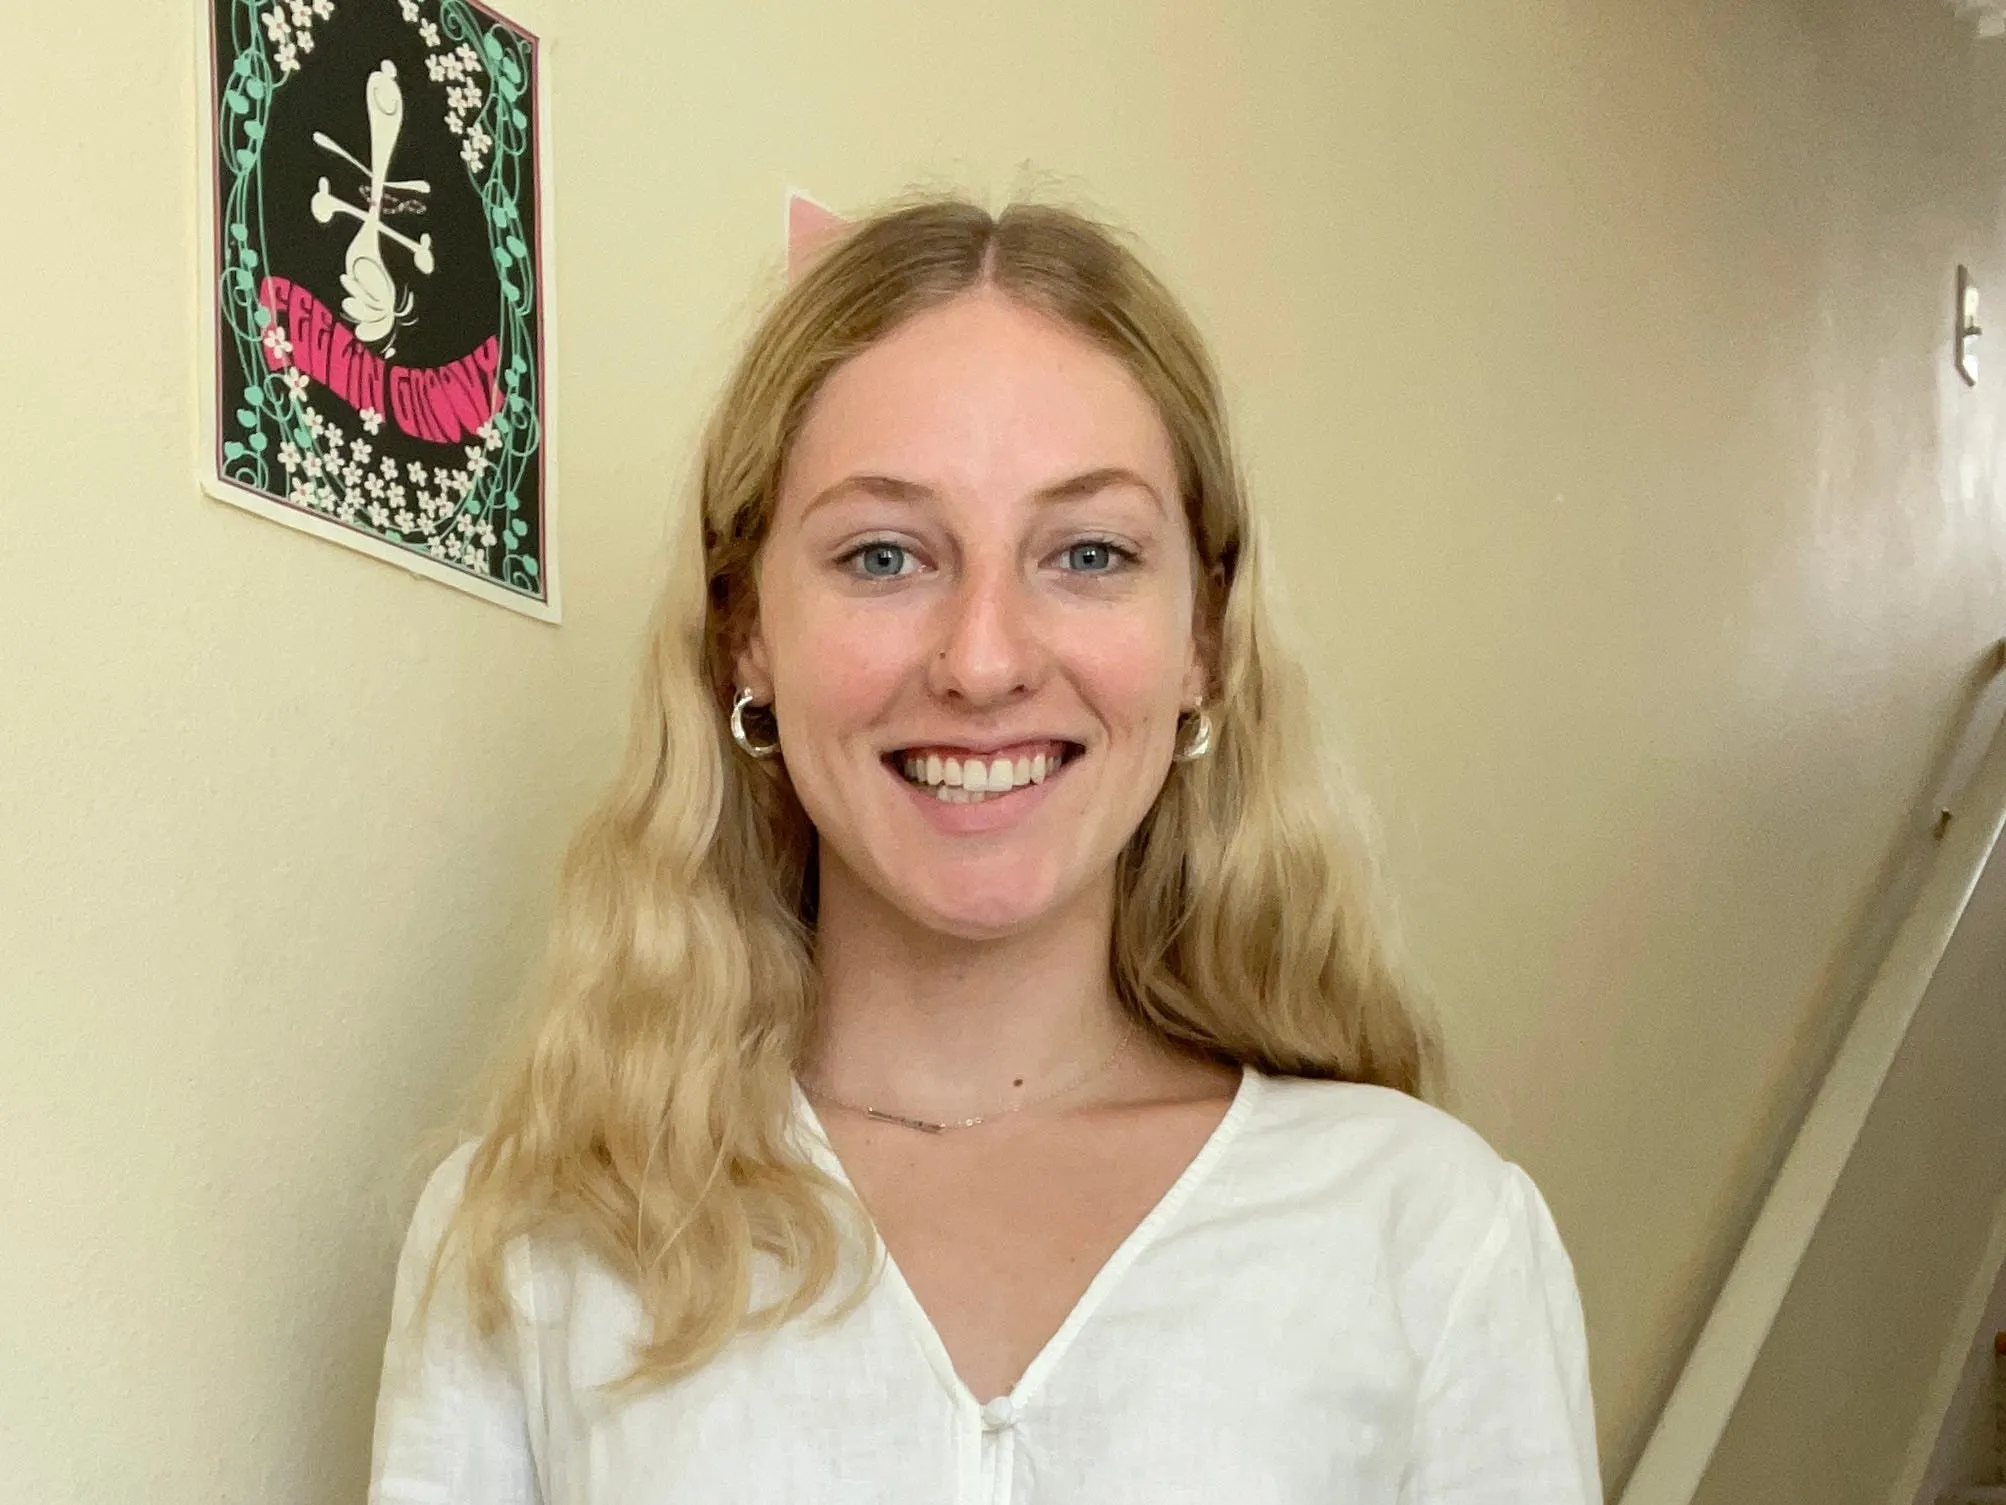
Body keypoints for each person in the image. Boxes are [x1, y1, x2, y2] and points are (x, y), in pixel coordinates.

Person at [367, 196, 1601, 1504]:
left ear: (1202, 640)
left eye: (1085, 553)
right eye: (885, 554)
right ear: (747, 633)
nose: (984, 659)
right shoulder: (533, 1237)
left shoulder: (1425, 1232)